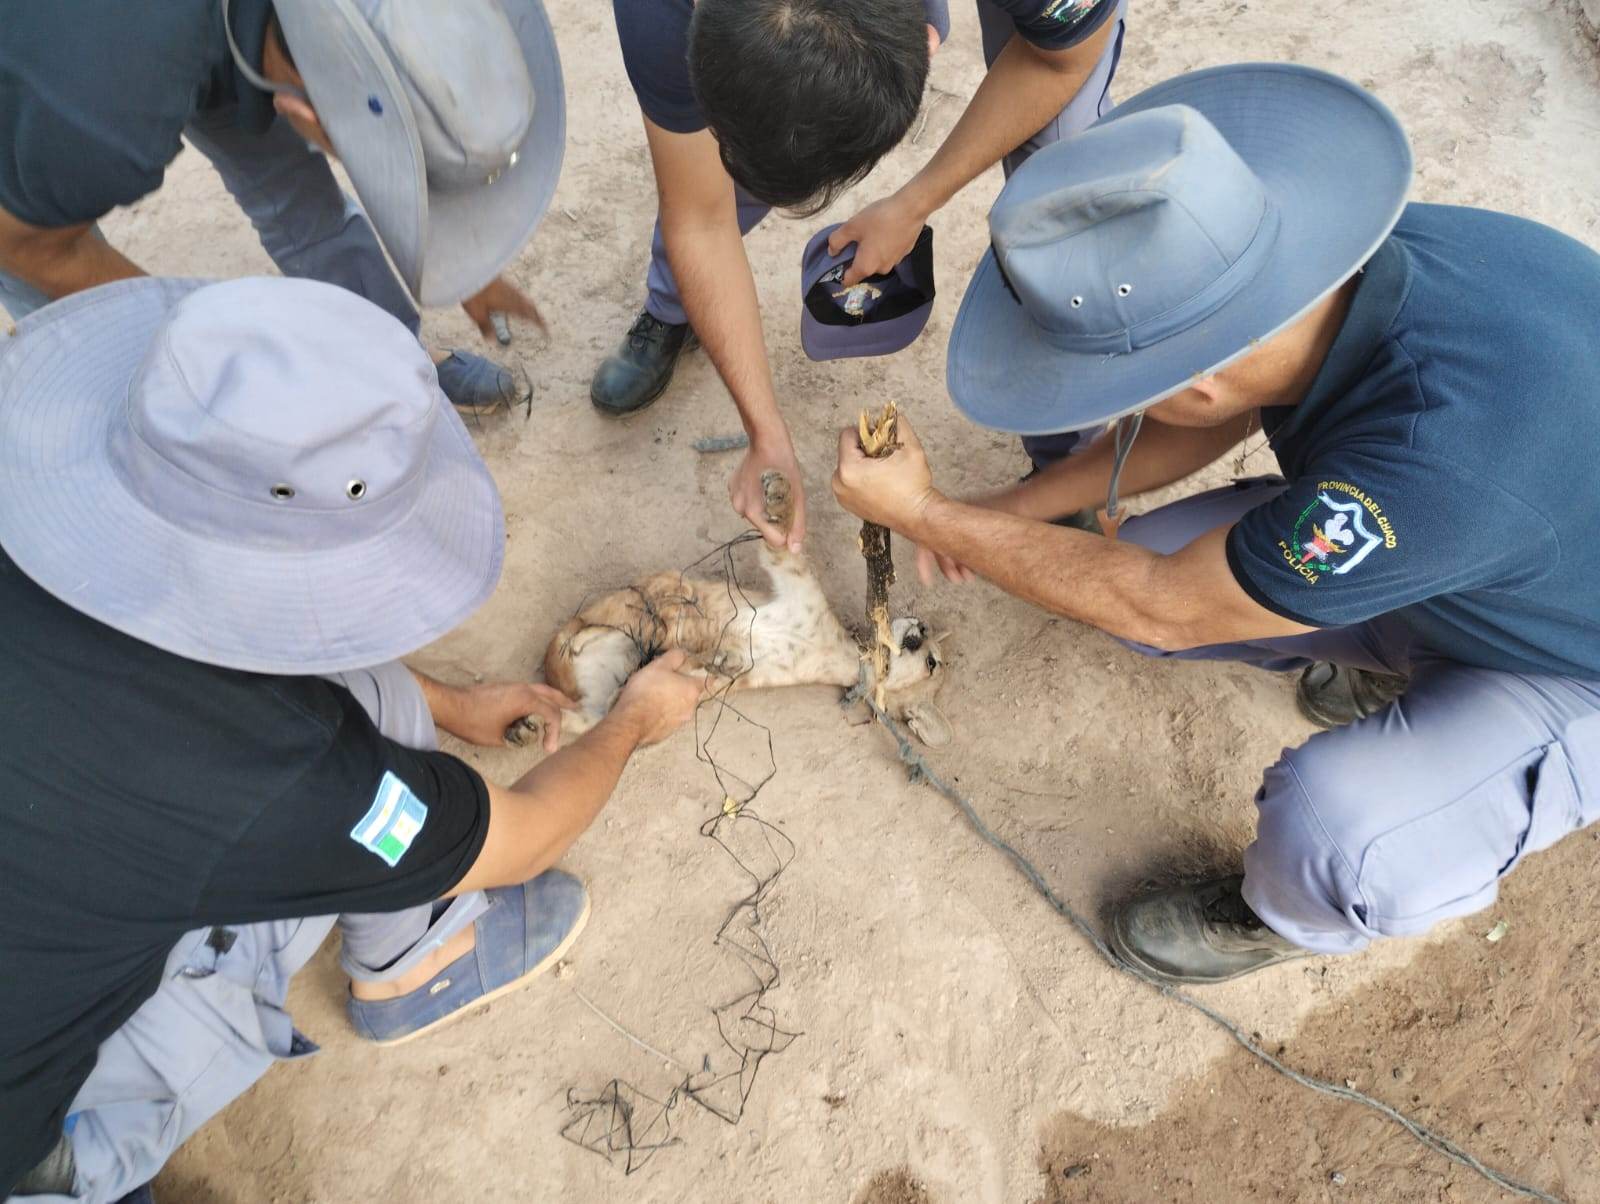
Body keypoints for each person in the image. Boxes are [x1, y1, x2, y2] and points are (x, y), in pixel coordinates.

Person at [831, 63, 1600, 985]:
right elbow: (1226, 408)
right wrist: (1012, 510)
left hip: (1568, 658)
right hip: (1508, 546)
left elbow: (1164, 607)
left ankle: (1291, 908)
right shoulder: (1334, 278)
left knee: (1336, 827)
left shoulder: (1431, 465)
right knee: (1138, 560)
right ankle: (1389, 661)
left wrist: (926, 514)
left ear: (1194, 378)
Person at [0, 276, 704, 1202]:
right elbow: (520, 835)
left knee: (364, 707)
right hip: (27, 1150)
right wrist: (632, 723)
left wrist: (447, 704)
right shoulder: (281, 768)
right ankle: (414, 971)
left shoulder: (34, 514)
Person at [594, 0, 1129, 551]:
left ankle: (1069, 468)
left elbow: (1061, 62)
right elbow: (700, 220)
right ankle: (674, 308)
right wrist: (765, 431)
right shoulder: (657, 14)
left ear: (922, 38)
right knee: (754, 155)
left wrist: (915, 201)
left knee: (1064, 194)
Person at [0, 0, 566, 411]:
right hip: (28, 155)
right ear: (305, 113)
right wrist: (205, 355)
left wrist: (461, 262)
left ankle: (395, 357)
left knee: (296, 191)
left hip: (203, 29)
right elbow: (26, 246)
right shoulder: (99, 111)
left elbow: (404, 66)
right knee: (104, 335)